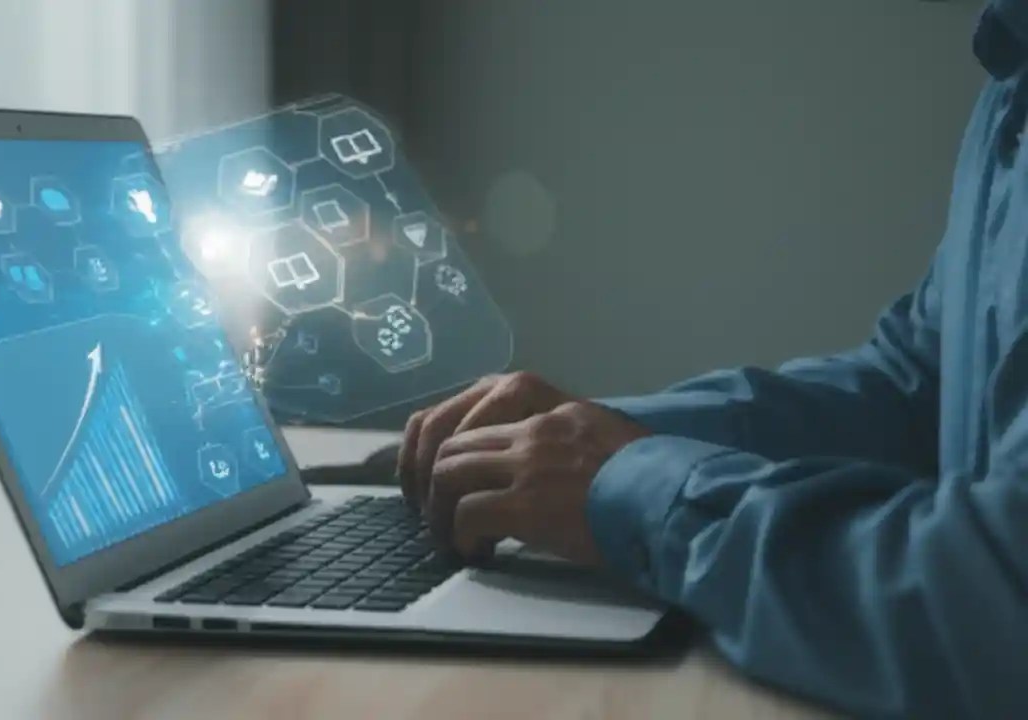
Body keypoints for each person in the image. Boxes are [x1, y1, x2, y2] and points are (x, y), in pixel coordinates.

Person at [395, 3, 1028, 717]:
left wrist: (638, 487)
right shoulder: (1012, 73)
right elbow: (916, 387)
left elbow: (997, 607)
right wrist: (587, 439)